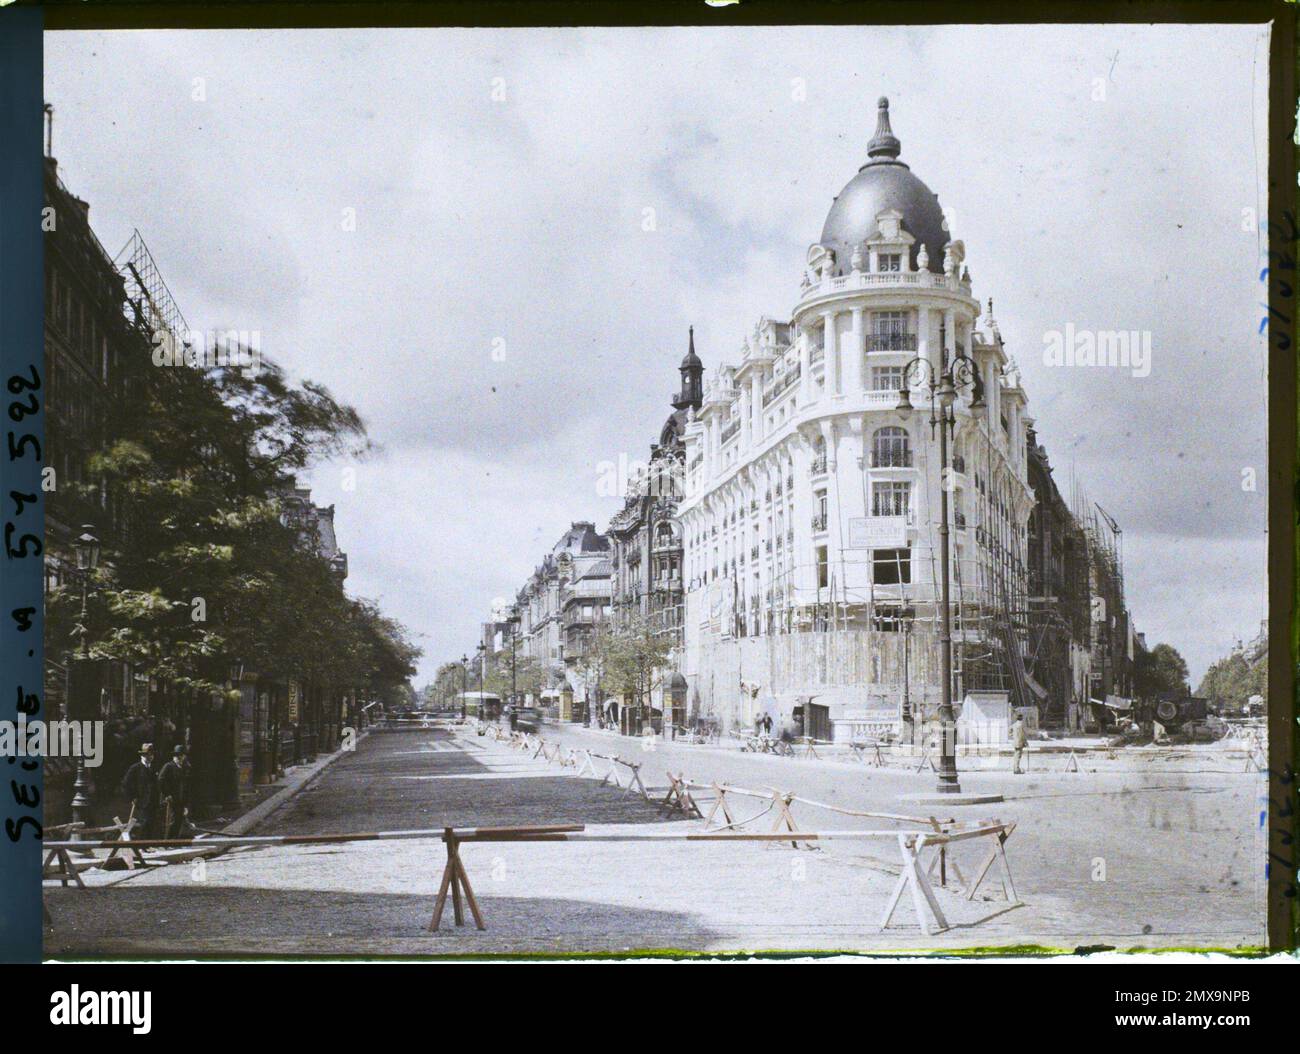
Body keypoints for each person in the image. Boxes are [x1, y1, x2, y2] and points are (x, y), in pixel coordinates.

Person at [120, 742, 159, 837]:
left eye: (151, 755)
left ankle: (149, 845)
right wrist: (132, 798)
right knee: (144, 822)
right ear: (143, 755)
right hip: (141, 801)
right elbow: (125, 784)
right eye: (148, 755)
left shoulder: (154, 767)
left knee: (152, 823)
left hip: (153, 800)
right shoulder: (135, 768)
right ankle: (142, 845)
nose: (150, 757)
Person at [158, 745, 191, 838]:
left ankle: (174, 840)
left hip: (180, 798)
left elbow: (185, 784)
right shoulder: (169, 766)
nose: (180, 757)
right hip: (170, 799)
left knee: (179, 820)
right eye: (177, 755)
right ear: (174, 756)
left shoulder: (184, 768)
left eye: (182, 755)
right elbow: (161, 780)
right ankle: (167, 840)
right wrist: (167, 794)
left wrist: (185, 800)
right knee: (171, 820)